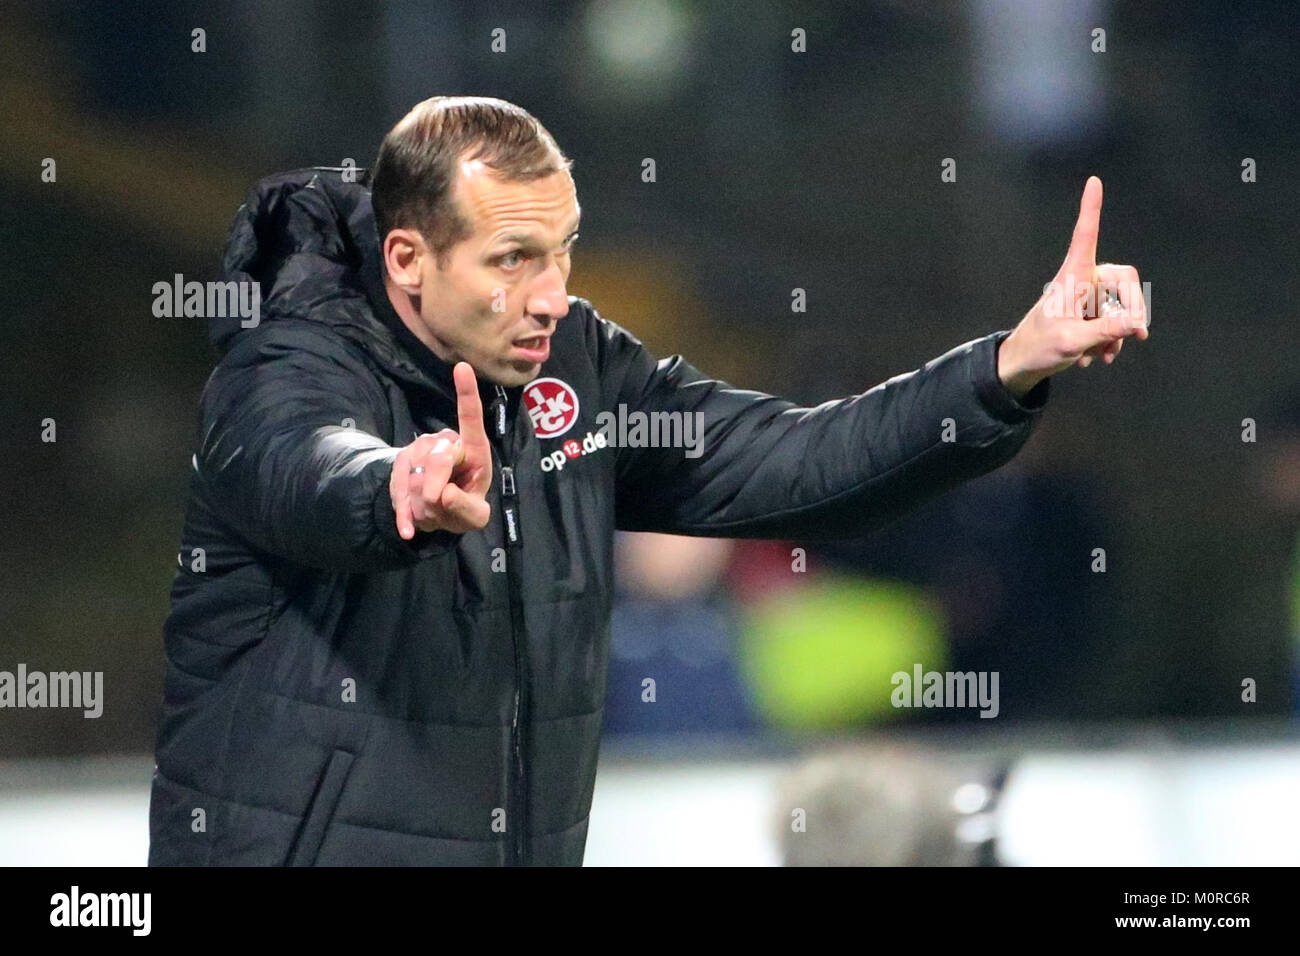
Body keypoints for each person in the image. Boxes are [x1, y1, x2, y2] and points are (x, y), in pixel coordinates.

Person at [147, 95, 1149, 866]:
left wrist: (1008, 363)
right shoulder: (281, 370)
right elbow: (303, 465)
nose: (551, 295)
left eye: (562, 252)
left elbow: (798, 457)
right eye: (512, 258)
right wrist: (393, 490)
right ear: (408, 258)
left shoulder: (578, 368)